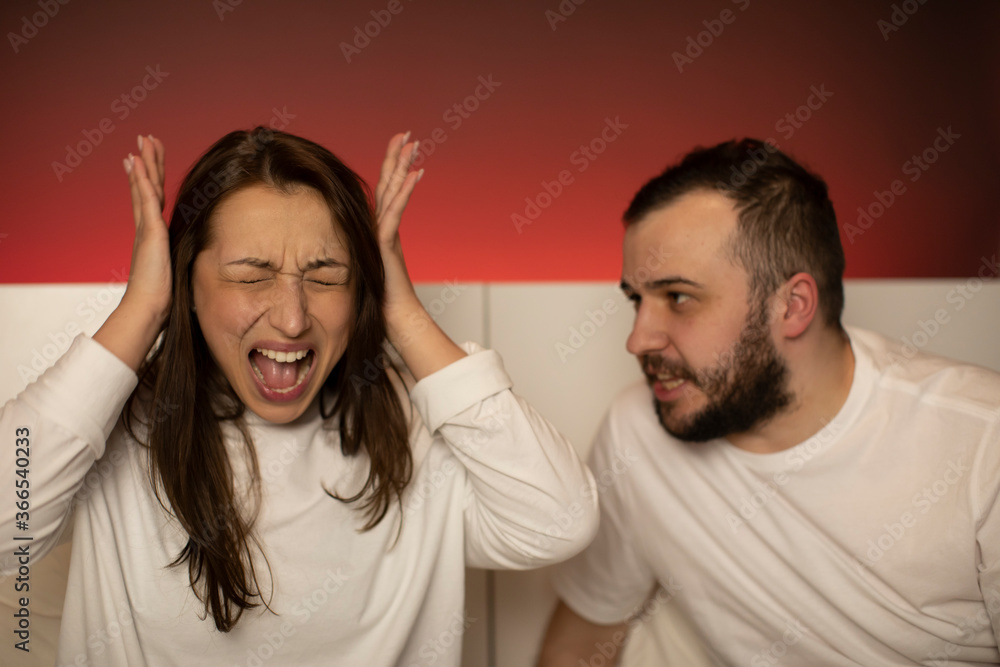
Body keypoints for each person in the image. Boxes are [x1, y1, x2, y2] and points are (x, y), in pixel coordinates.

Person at [0, 127, 598, 665]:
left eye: (326, 274)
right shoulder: (118, 428)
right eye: (250, 274)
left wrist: (404, 313)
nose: (291, 319)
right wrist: (142, 308)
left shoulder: (415, 426)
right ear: (186, 283)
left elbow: (560, 522)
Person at [538, 139, 1000, 666]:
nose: (637, 339)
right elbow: (582, 641)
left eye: (678, 297)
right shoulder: (637, 429)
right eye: (636, 300)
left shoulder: (982, 442)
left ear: (793, 305)